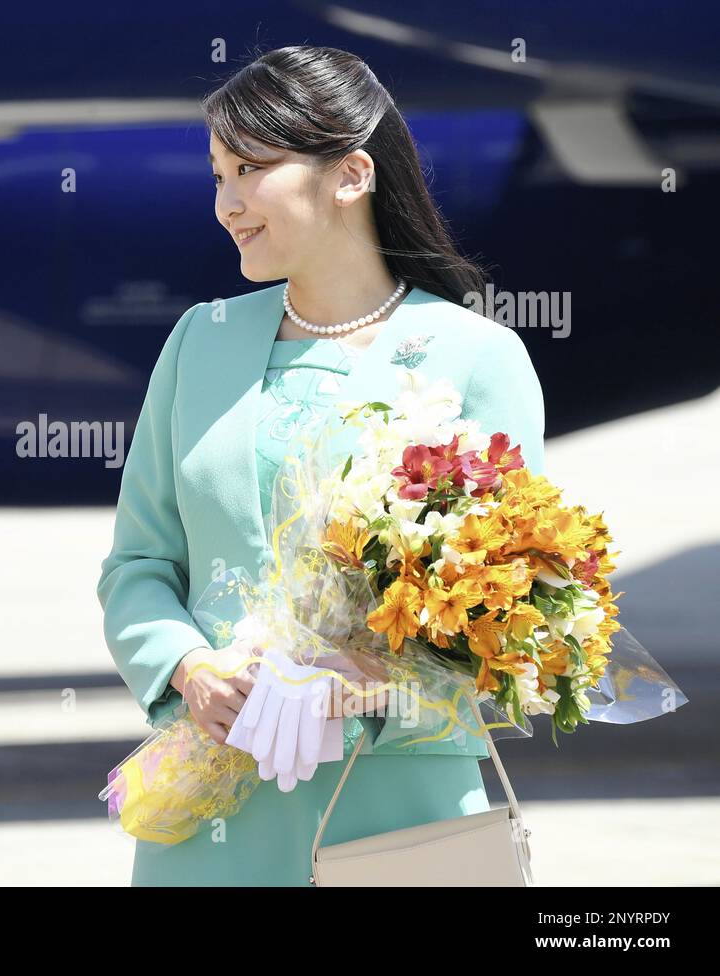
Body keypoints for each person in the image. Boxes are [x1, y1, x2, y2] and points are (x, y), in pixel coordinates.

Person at [97, 45, 546, 886]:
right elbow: (138, 565)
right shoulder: (202, 339)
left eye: (250, 170)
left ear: (351, 176)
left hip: (400, 814)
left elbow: (510, 608)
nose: (227, 204)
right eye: (217, 175)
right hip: (210, 810)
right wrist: (189, 670)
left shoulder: (475, 357)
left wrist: (364, 685)